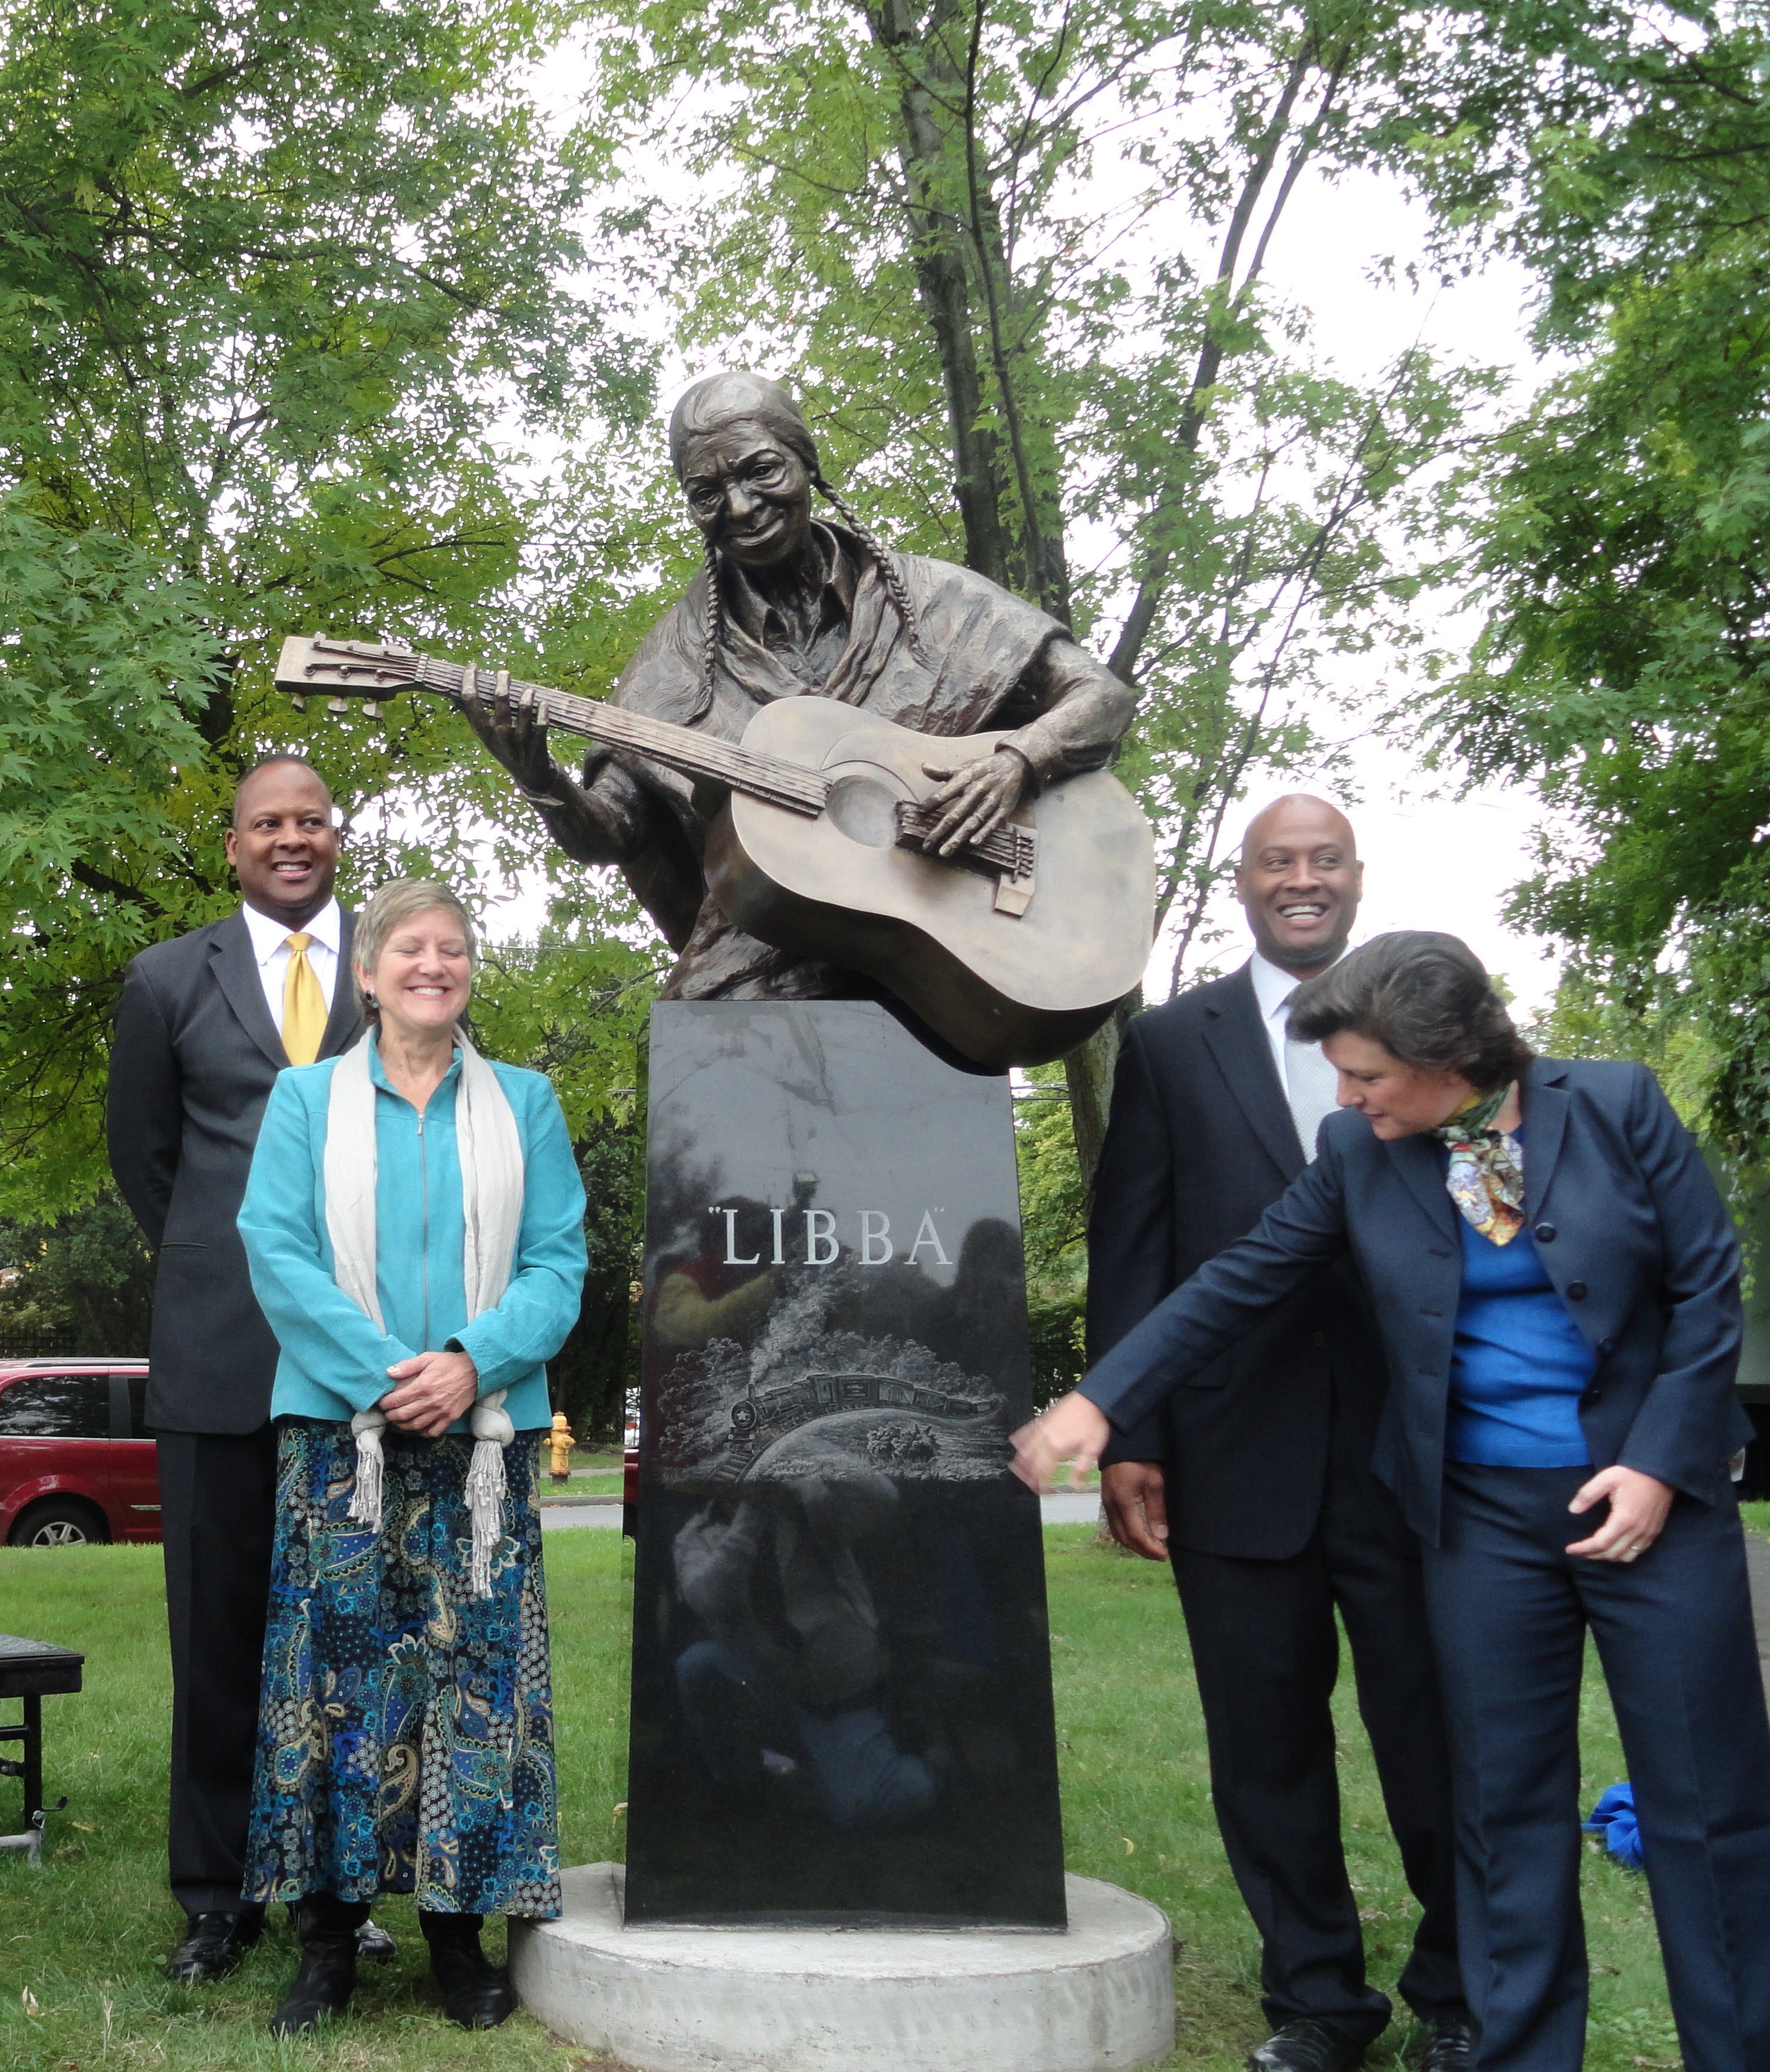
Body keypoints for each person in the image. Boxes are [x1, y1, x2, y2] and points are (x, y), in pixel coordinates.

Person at [1020, 932, 1770, 2072]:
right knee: (1501, 1816)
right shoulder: (1354, 1151)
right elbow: (1234, 1276)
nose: (1343, 1094)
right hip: (1477, 1521)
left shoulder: (1616, 1105)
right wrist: (1099, 1402)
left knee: (1704, 1810)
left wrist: (1660, 1463)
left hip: (1648, 1505)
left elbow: (1706, 1283)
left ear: (1447, 1055)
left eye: (1364, 1073)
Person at [1088, 799, 1467, 2072]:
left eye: (1325, 861)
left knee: (1439, 1739)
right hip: (1231, 1456)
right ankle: (1318, 2005)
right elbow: (1132, 1245)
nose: (1302, 881)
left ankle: (1458, 1993)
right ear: (1241, 883)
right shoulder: (1170, 1044)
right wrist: (1131, 1429)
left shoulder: (1435, 1026)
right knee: (1266, 1754)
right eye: (1277, 863)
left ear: (1360, 878)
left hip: (1414, 1459)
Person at [463, 369, 1136, 1003]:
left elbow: (1100, 698)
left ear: (805, 460)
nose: (740, 506)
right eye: (706, 494)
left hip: (949, 935)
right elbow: (613, 835)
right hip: (765, 955)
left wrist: (1019, 762)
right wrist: (538, 776)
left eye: (761, 470)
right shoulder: (668, 667)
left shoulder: (933, 600)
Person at [234, 878, 587, 2035]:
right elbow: (274, 1250)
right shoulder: (303, 1100)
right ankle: (326, 1942)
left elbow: (556, 1264)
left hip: (481, 1445)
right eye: (410, 949)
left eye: (453, 950)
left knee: (475, 1686)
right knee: (334, 1684)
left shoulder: (525, 1103)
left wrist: (469, 1362)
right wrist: (392, 1372)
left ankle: (458, 1937)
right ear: (371, 973)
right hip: (347, 1439)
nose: (432, 965)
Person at [105, 754, 379, 1984]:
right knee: (215, 1636)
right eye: (267, 823)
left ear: (338, 835)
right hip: (219, 1354)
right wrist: (236, 1261)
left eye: (310, 820)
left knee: (353, 1636)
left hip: (368, 1360)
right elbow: (144, 1161)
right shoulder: (166, 980)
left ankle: (345, 1887)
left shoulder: (403, 965)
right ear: (232, 845)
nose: (291, 839)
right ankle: (216, 1896)